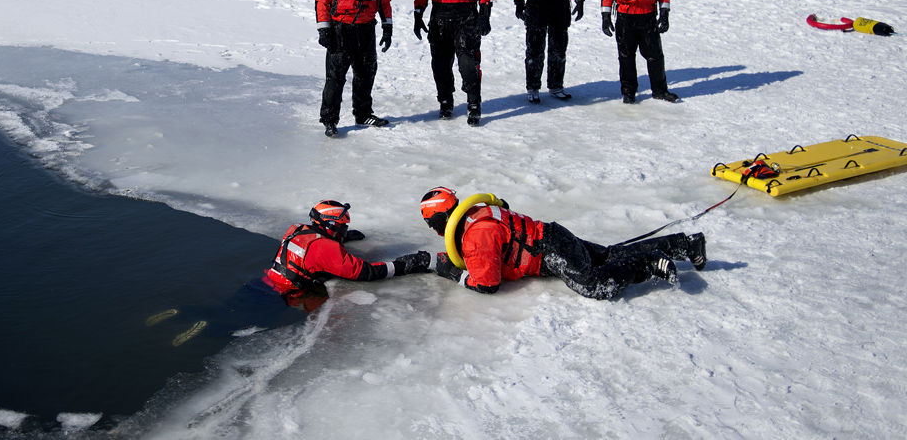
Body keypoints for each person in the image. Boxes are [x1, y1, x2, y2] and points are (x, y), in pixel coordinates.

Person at [419, 187, 706, 300]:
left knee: (592, 285)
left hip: (549, 251)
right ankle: (685, 245)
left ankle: (648, 264)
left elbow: (487, 283)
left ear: (442, 220)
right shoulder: (474, 214)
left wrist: (453, 273)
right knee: (608, 256)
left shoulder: (475, 236)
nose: (433, 230)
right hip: (552, 235)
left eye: (432, 224)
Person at [263, 200, 431, 311]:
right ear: (331, 225)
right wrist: (402, 266)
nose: (344, 230)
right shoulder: (324, 248)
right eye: (342, 227)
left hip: (267, 282)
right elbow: (363, 272)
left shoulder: (297, 229)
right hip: (287, 295)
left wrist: (345, 237)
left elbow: (313, 244)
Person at [315, 0, 393, 137]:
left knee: (366, 74)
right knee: (335, 78)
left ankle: (363, 113)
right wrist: (324, 29)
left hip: (366, 30)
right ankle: (330, 120)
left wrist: (387, 27)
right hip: (341, 31)